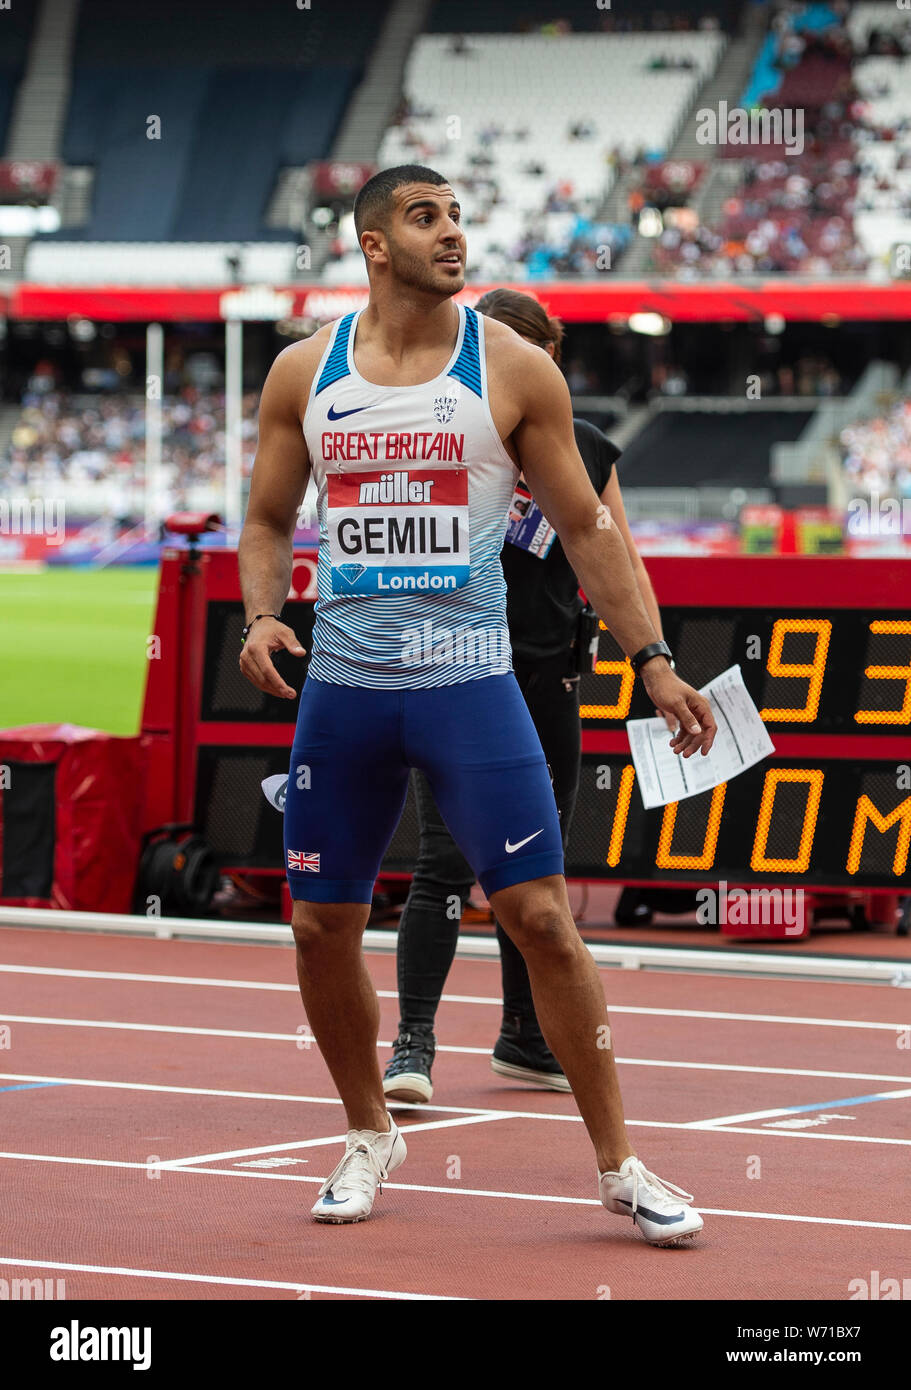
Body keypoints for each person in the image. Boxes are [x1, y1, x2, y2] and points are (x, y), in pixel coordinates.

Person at [238, 164, 715, 1246]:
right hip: (347, 692)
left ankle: (619, 1165)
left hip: (470, 685)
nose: (451, 232)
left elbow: (590, 529)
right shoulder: (301, 374)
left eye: (457, 214)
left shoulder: (507, 367)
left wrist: (650, 658)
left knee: (542, 918)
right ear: (371, 243)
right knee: (318, 926)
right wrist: (261, 613)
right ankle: (368, 1132)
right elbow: (266, 519)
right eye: (423, 217)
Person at [382, 287, 665, 1103]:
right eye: (485, 340)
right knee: (442, 867)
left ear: (548, 352)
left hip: (550, 682)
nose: (499, 356)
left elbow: (616, 558)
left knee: (530, 871)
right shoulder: (445, 437)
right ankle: (412, 1047)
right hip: (462, 676)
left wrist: (654, 657)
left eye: (518, 343)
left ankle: (525, 1039)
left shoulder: (584, 448)